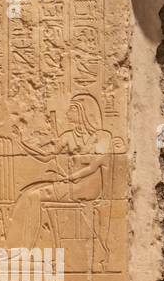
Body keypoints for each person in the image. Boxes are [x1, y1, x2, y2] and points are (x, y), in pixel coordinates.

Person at [9, 93, 114, 251]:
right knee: (28, 193)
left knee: (34, 197)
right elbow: (46, 156)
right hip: (71, 185)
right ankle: (22, 245)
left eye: (72, 109)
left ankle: (25, 248)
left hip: (87, 188)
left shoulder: (103, 136)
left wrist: (71, 177)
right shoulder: (68, 136)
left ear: (83, 112)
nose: (67, 113)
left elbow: (93, 166)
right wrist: (22, 142)